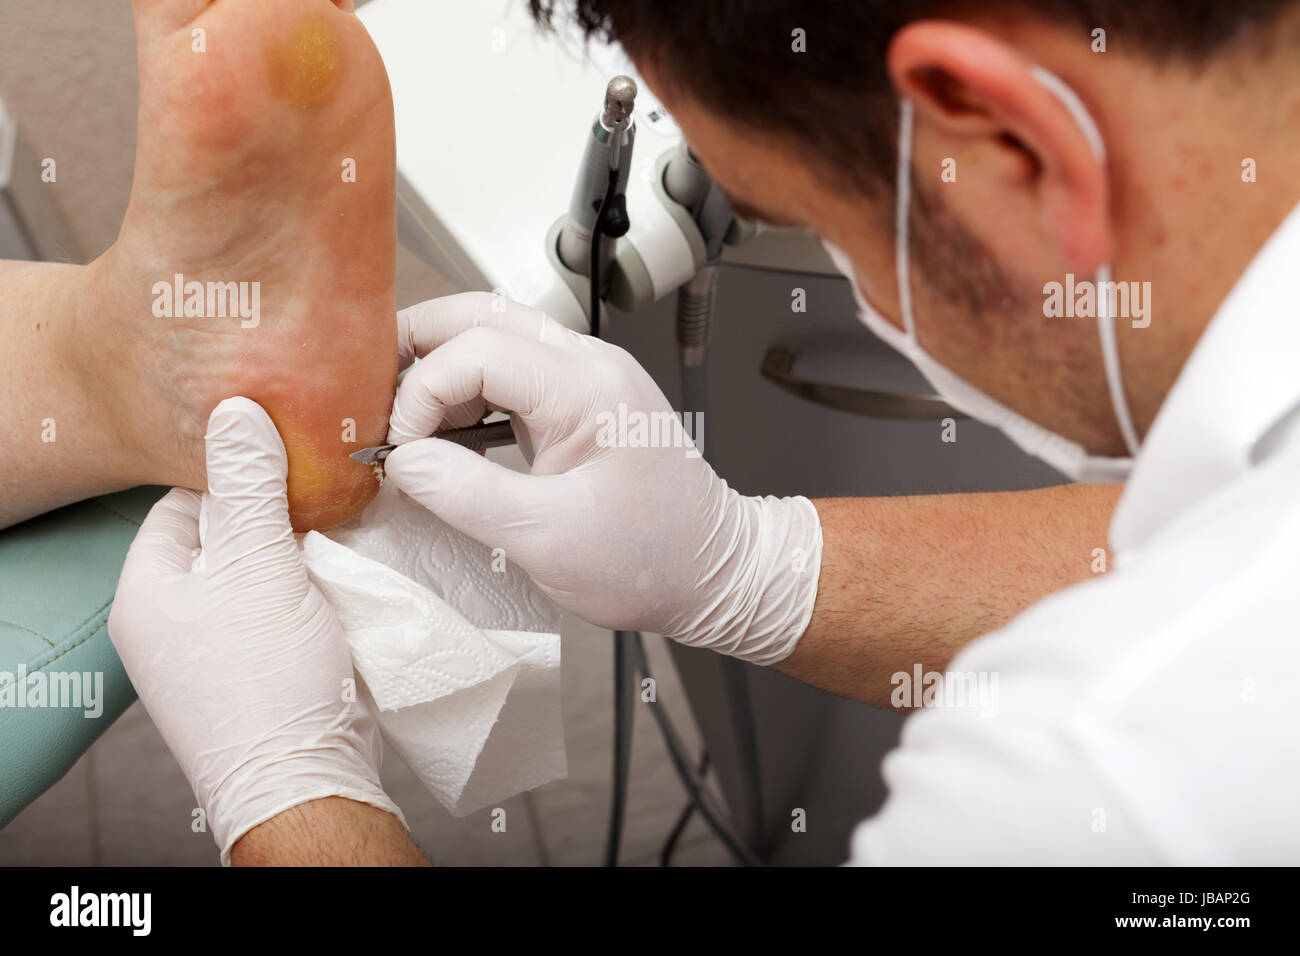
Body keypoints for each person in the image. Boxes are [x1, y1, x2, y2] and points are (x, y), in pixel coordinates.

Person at [45, 0, 1300, 863]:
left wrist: (288, 792)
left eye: (791, 213)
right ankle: (99, 357)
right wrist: (746, 564)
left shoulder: (1108, 779)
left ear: (1013, 141)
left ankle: (98, 362)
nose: (860, 289)